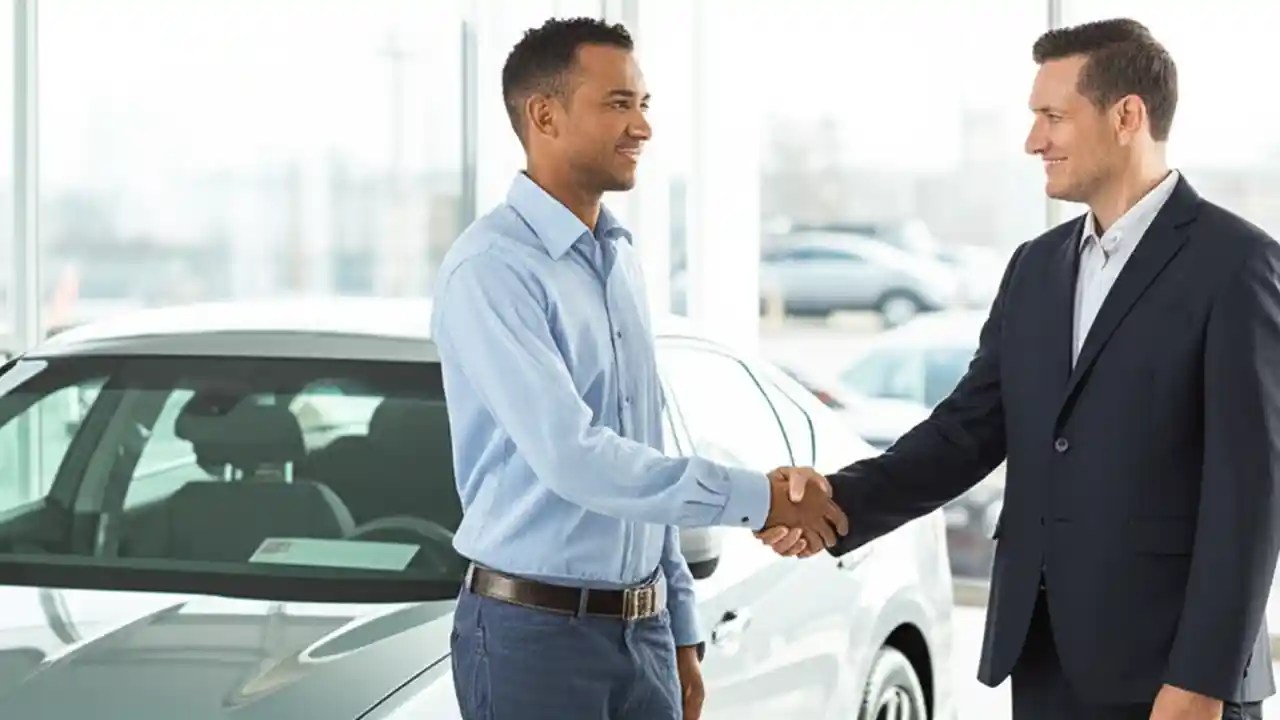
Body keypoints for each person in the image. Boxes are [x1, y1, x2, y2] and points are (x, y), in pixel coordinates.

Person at [760, 17, 1280, 720]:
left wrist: (1203, 679)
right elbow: (965, 432)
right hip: (1043, 658)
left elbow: (1250, 496)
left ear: (1127, 116)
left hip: (1170, 678)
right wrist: (833, 502)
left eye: (1052, 116)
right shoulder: (1036, 268)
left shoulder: (1237, 264)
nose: (1033, 139)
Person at [430, 17, 847, 720]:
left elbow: (644, 452)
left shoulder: (617, 257)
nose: (643, 128)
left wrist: (679, 625)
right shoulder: (491, 271)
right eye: (619, 104)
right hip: (534, 637)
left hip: (643, 632)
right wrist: (763, 499)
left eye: (644, 104)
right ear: (544, 115)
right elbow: (578, 460)